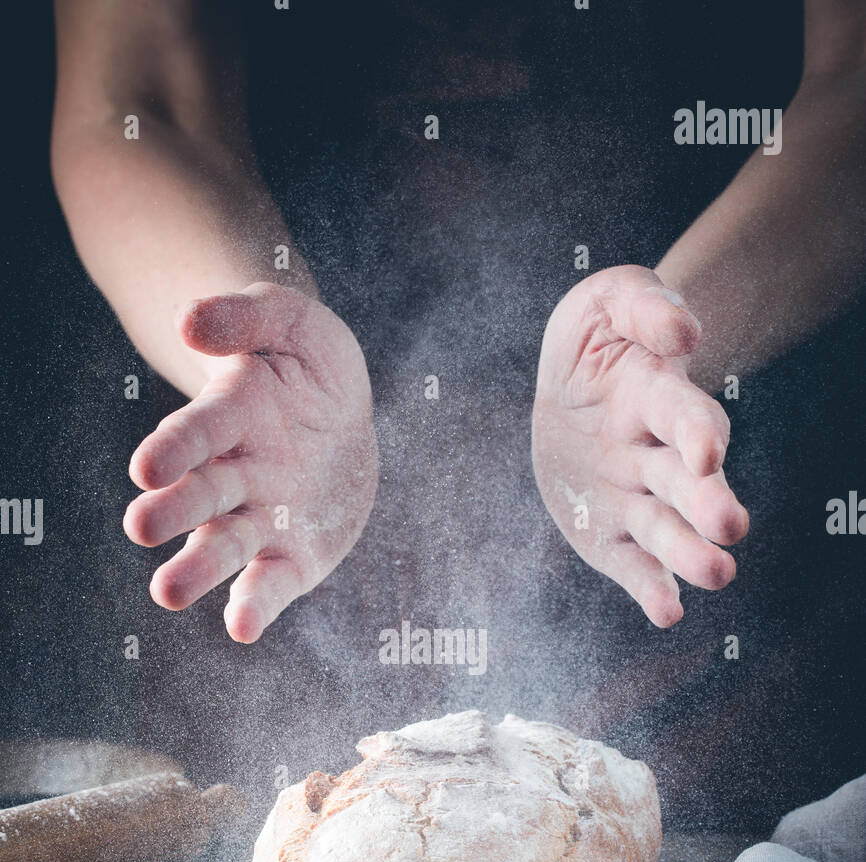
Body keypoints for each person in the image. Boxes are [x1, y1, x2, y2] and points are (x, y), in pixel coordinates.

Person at [50, 0, 866, 643]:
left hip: (692, 483)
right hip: (265, 496)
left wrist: (675, 330)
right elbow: (136, 102)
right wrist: (251, 350)